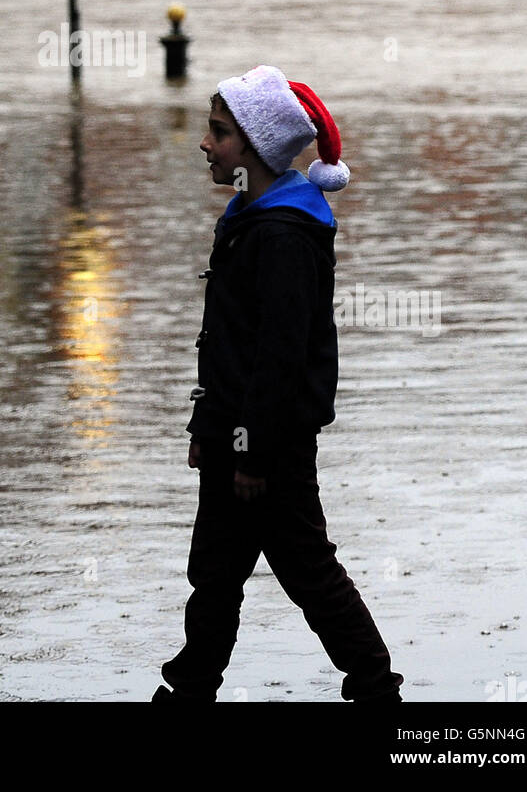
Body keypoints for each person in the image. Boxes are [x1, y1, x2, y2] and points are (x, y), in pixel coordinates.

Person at [153, 65, 404, 704]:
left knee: (306, 569)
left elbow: (279, 356)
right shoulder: (250, 218)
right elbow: (229, 344)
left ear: (254, 150)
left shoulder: (282, 235)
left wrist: (253, 451)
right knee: (215, 574)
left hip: (269, 446)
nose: (205, 144)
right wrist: (206, 429)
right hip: (236, 439)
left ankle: (377, 689)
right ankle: (188, 692)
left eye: (218, 132)